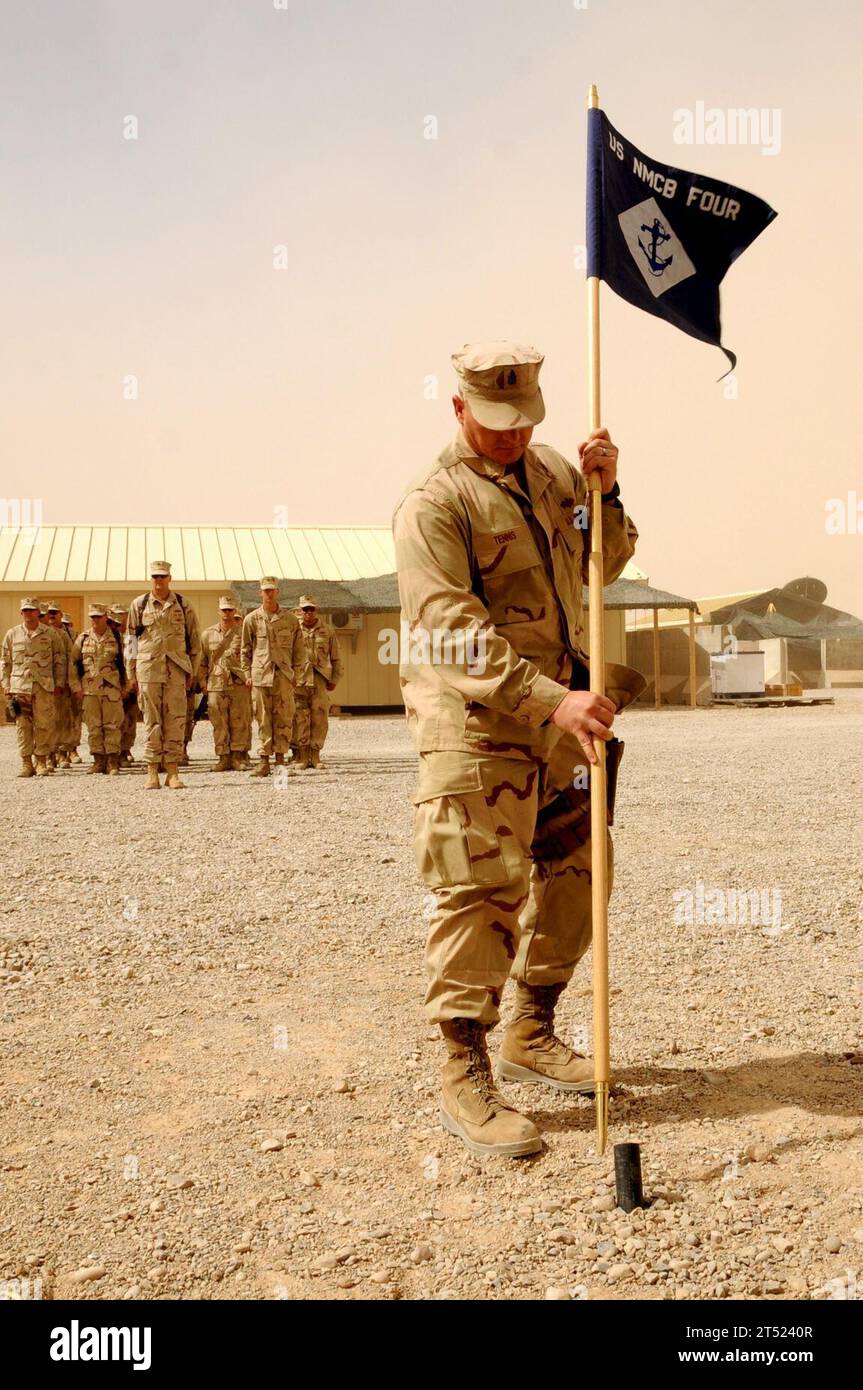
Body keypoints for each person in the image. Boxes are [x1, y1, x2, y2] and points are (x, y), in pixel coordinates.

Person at [393, 341, 638, 1158]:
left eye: (524, 420)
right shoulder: (435, 503)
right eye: (495, 421)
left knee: (579, 869)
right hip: (476, 725)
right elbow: (450, 636)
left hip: (558, 719)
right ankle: (462, 1068)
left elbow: (609, 558)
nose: (510, 434)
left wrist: (603, 491)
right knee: (480, 891)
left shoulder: (553, 477)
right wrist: (553, 697)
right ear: (457, 407)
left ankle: (531, 1030)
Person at [127, 561, 202, 790]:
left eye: (163, 577)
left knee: (176, 720)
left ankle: (172, 771)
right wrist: (131, 673)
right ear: (151, 579)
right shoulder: (139, 605)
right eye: (155, 577)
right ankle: (152, 771)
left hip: (176, 670)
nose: (159, 581)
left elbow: (195, 642)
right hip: (148, 670)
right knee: (151, 720)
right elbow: (131, 642)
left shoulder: (182, 604)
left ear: (170, 578)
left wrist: (192, 671)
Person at [241, 577, 301, 778]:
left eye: (272, 590)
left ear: (278, 592)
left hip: (283, 676)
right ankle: (264, 761)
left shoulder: (290, 619)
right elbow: (245, 649)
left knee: (284, 716)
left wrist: (297, 674)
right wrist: (247, 674)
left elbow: (299, 650)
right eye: (265, 590)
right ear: (260, 593)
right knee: (263, 717)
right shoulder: (252, 619)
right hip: (260, 676)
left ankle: (281, 762)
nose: (268, 593)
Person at [1, 597, 67, 777]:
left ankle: (41, 761)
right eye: (25, 610)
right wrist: (5, 684)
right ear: (21, 613)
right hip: (19, 687)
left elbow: (59, 660)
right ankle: (26, 762)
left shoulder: (50, 634)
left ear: (39, 612)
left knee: (44, 724)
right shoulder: (12, 634)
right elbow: (5, 661)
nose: (28, 613)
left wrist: (59, 682)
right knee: (23, 725)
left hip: (43, 686)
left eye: (32, 610)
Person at [72, 603, 125, 775]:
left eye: (98, 617)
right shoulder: (83, 638)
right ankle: (98, 761)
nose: (95, 620)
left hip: (112, 690)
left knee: (112, 726)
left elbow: (127, 663)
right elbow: (73, 664)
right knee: (93, 727)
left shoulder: (117, 637)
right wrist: (76, 686)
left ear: (106, 618)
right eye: (92, 617)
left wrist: (127, 685)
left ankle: (112, 761)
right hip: (90, 690)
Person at [291, 595, 344, 769]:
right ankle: (302, 756)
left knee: (320, 717)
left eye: (311, 609)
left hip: (320, 679)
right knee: (300, 718)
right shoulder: (293, 630)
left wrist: (335, 678)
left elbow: (336, 658)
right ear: (300, 610)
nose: (308, 612)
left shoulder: (327, 631)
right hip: (298, 680)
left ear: (316, 610)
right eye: (305, 609)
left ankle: (315, 755)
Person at [200, 596, 250, 770]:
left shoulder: (244, 633)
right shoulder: (208, 634)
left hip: (239, 683)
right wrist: (202, 682)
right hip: (216, 683)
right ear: (218, 611)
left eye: (230, 610)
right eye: (224, 610)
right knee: (218, 721)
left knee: (239, 720)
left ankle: (237, 757)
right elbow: (202, 661)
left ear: (235, 611)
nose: (227, 613)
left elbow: (251, 657)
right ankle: (223, 757)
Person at [44, 601, 76, 768]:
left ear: (60, 615)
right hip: (42, 685)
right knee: (45, 721)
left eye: (54, 612)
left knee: (62, 719)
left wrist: (68, 682)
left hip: (60, 685)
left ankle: (63, 753)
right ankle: (48, 755)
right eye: (48, 612)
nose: (51, 615)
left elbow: (70, 660)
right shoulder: (43, 633)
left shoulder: (64, 636)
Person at [109, 604, 138, 765]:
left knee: (130, 719)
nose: (120, 620)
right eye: (116, 616)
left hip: (130, 683)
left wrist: (131, 682)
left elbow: (134, 660)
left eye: (123, 615)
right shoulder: (110, 637)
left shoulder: (132, 638)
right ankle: (115, 751)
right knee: (115, 719)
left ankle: (126, 748)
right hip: (114, 685)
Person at [61, 612, 83, 762]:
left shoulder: (77, 637)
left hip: (74, 682)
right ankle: (60, 752)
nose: (65, 627)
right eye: (64, 624)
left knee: (75, 717)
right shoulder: (53, 635)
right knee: (60, 719)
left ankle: (73, 749)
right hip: (59, 683)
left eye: (68, 624)